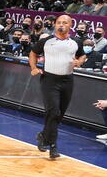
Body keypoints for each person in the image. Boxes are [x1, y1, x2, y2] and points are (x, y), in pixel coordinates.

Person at [29, 14, 86, 160]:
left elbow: (82, 56)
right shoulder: (46, 41)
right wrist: (33, 68)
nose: (61, 25)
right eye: (59, 22)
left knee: (59, 114)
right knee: (53, 111)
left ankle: (43, 135)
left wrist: (79, 62)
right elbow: (33, 53)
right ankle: (53, 146)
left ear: (70, 25)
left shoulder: (76, 42)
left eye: (65, 23)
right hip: (49, 80)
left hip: (67, 80)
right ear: (55, 25)